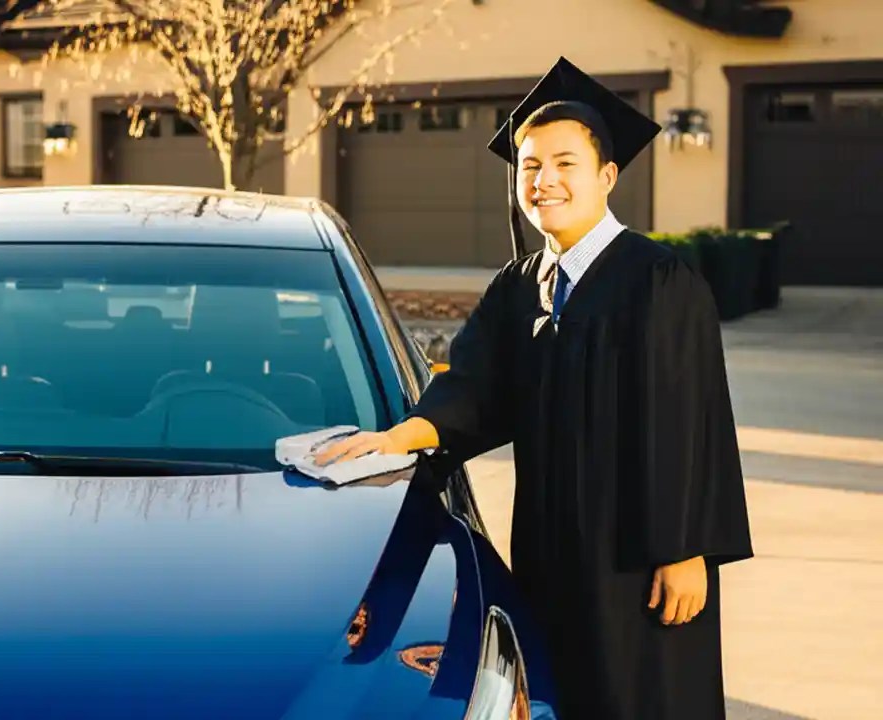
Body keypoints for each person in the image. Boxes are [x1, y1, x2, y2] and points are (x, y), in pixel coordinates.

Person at [315, 57, 753, 720]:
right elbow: (474, 391)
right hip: (551, 555)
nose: (544, 180)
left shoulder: (658, 280)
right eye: (529, 166)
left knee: (647, 700)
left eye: (565, 163)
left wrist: (687, 550)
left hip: (642, 560)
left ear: (607, 175)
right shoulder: (518, 287)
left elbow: (690, 419)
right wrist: (399, 436)